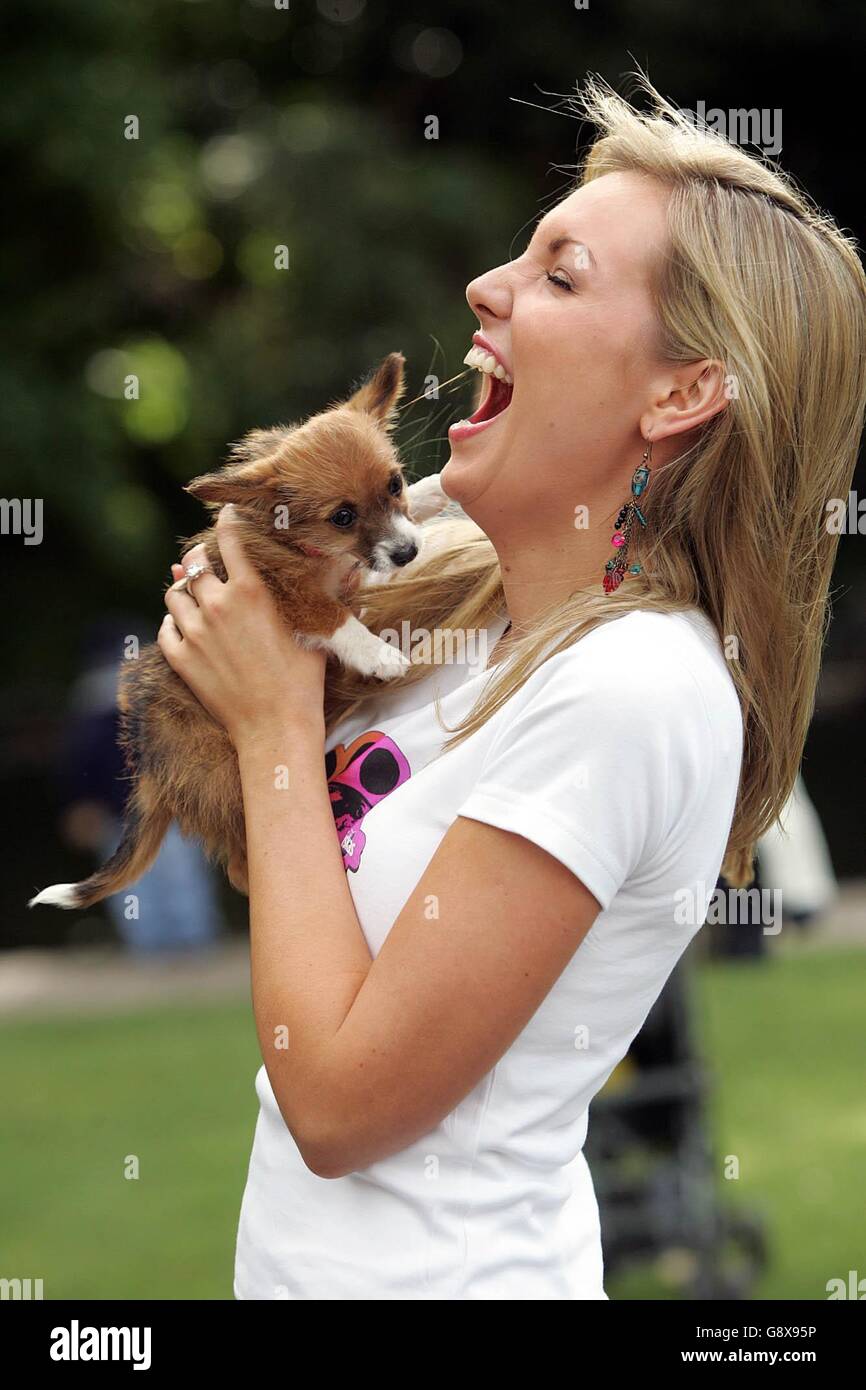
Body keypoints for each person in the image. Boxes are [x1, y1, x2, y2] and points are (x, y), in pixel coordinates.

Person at [157, 74, 866, 1299]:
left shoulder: (630, 687)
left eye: (558, 273)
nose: (485, 287)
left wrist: (273, 722)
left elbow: (335, 1106)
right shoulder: (466, 616)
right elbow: (284, 875)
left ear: (680, 392)